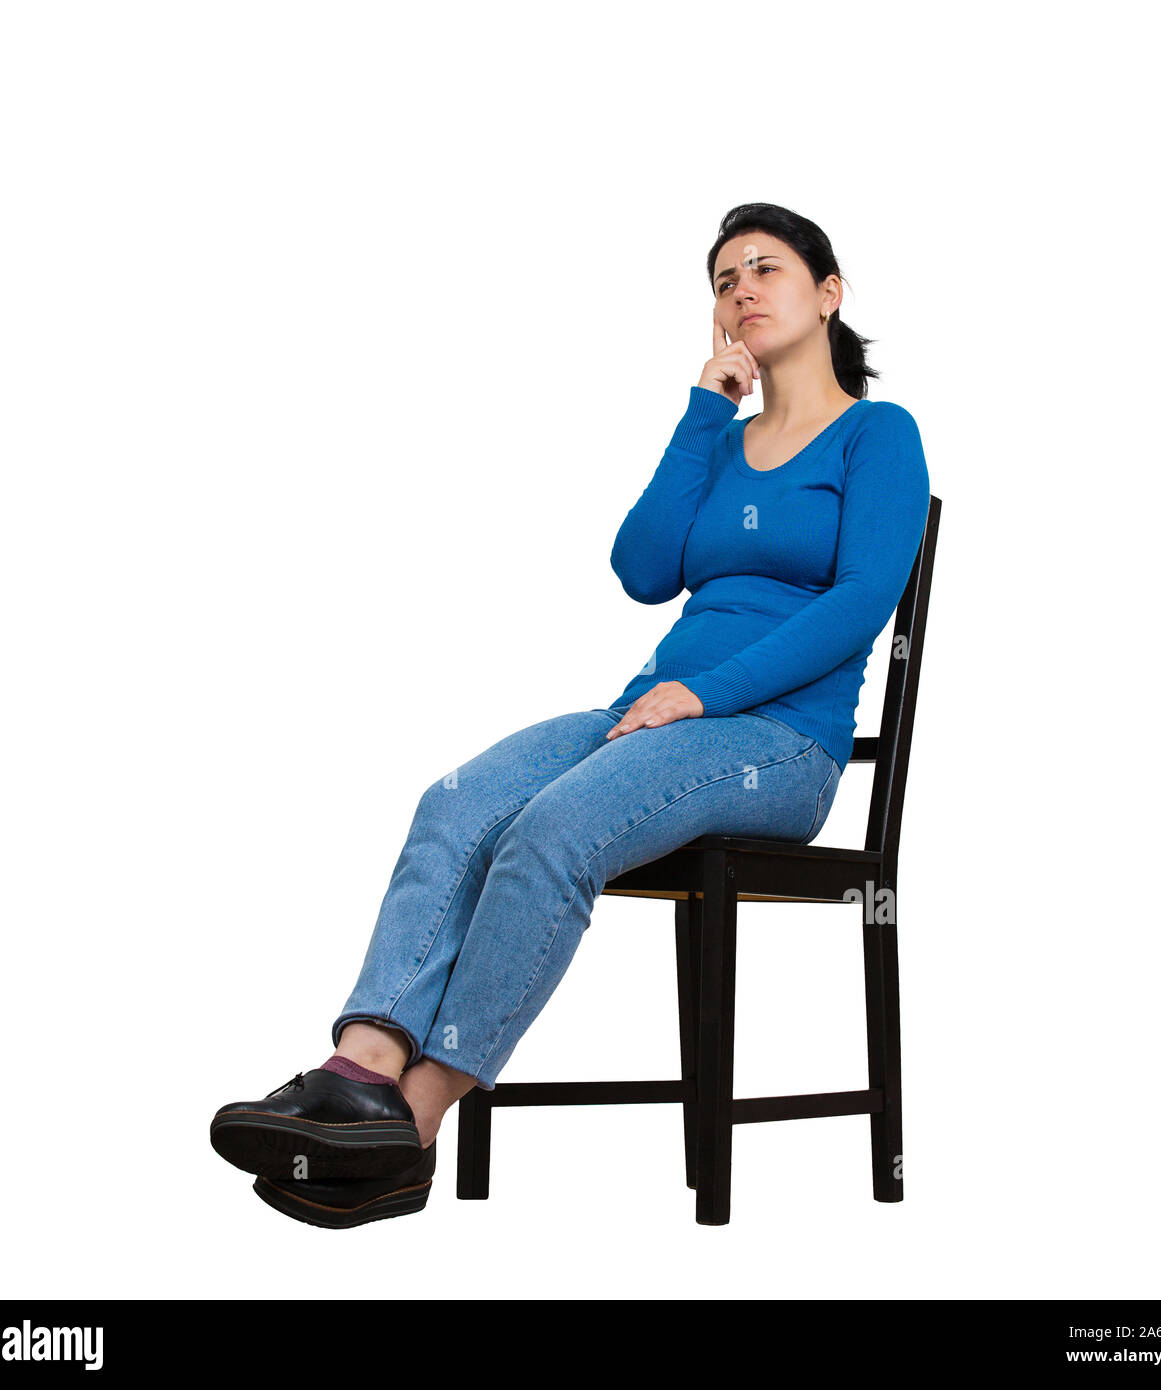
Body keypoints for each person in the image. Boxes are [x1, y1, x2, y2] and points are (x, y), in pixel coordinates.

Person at [209, 202, 931, 1228]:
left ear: (828, 293)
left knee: (555, 827)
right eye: (723, 281)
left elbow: (861, 601)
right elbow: (642, 569)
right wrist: (703, 412)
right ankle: (361, 1071)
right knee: (457, 803)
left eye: (764, 268)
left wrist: (707, 693)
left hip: (778, 745)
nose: (741, 290)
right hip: (652, 716)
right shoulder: (723, 442)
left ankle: (413, 1123)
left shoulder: (878, 435)